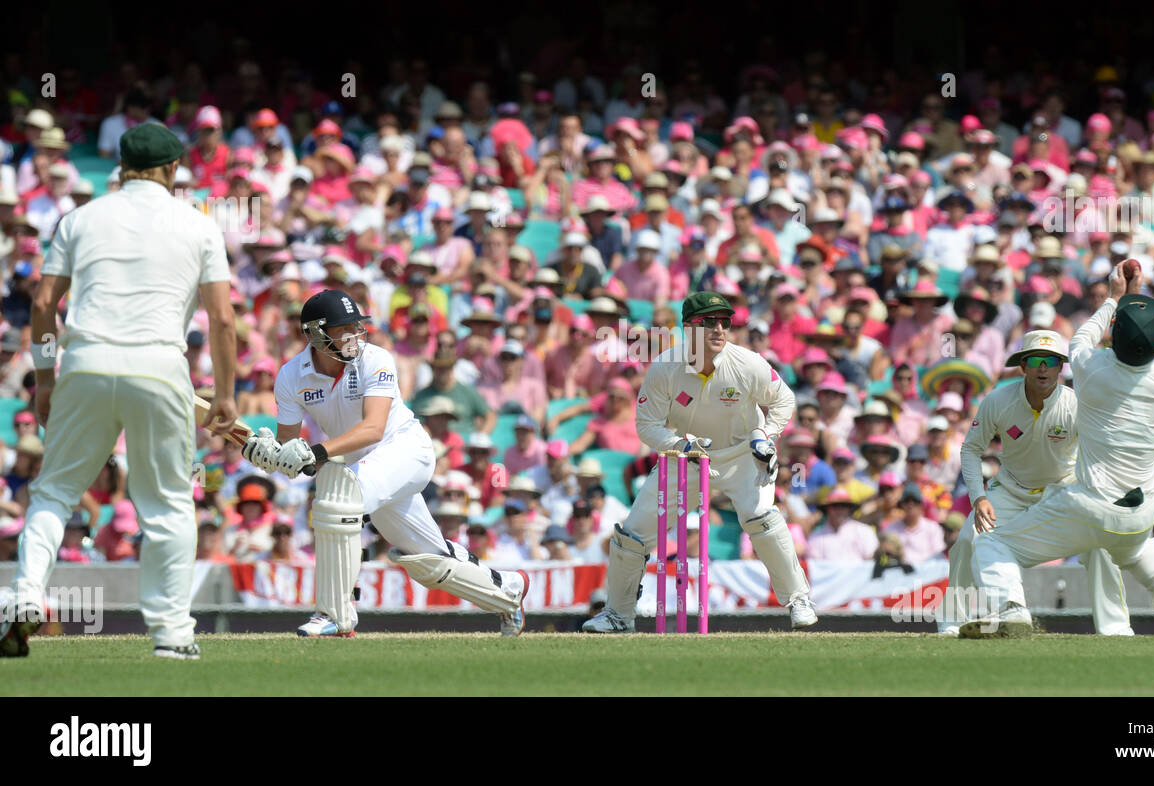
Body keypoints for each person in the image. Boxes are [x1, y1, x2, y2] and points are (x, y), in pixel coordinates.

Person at [2, 124, 239, 661]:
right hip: (159, 367)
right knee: (168, 503)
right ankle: (172, 634)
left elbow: (43, 306)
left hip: (85, 363)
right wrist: (225, 393)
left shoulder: (80, 218)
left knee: (54, 493)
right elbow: (222, 320)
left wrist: (44, 378)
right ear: (174, 169)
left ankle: (23, 600)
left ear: (123, 165)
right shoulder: (198, 224)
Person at [238, 289, 529, 638]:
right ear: (314, 333)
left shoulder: (375, 359)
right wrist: (271, 456)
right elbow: (290, 446)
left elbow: (373, 429)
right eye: (342, 329)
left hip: (405, 450)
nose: (352, 335)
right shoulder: (290, 376)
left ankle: (335, 614)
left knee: (339, 496)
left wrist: (314, 453)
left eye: (354, 326)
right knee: (428, 561)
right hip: (365, 467)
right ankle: (508, 593)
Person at [963, 260, 1154, 640]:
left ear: (1114, 340)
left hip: (1088, 503)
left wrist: (1115, 298)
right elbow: (1151, 340)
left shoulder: (1093, 370)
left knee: (993, 541)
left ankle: (1012, 610)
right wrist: (1135, 298)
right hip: (1142, 510)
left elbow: (1080, 338)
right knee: (1134, 551)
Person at [583, 292, 816, 632]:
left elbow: (784, 400)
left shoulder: (747, 363)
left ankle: (799, 600)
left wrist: (765, 435)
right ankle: (618, 614)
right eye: (709, 322)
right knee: (632, 535)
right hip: (686, 455)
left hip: (742, 454)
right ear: (688, 328)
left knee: (762, 520)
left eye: (724, 322)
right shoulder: (665, 367)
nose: (719, 329)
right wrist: (679, 444)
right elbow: (647, 425)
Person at [939, 330, 1131, 636]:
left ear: (1060, 368)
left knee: (1100, 543)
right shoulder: (998, 400)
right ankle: (951, 622)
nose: (1043, 368)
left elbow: (1101, 451)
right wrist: (978, 498)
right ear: (1023, 366)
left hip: (1063, 490)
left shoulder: (1076, 404)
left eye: (1051, 361)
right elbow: (971, 448)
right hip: (1010, 489)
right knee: (965, 541)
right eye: (1036, 361)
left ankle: (1116, 629)